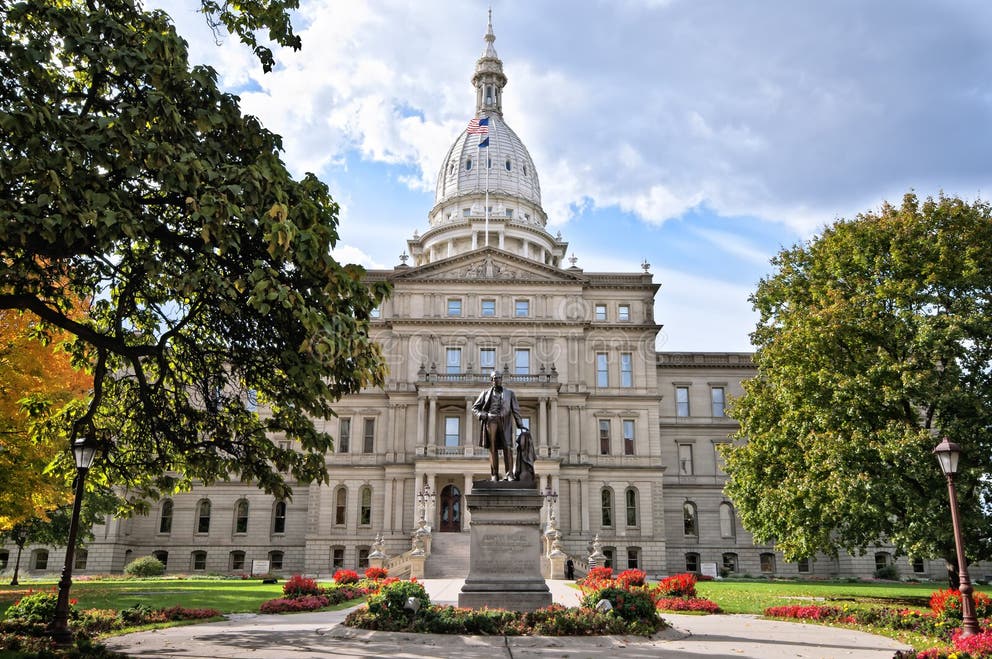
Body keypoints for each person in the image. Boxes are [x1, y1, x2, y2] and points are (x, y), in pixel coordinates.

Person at [472, 371, 523, 481]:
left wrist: (520, 424)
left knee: (508, 447)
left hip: (505, 422)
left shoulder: (510, 394)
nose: (498, 379)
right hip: (491, 421)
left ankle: (509, 474)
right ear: (492, 380)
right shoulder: (485, 393)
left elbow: (516, 410)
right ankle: (494, 474)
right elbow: (475, 408)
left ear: (502, 379)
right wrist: (483, 415)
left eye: (499, 378)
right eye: (495, 378)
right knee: (493, 447)